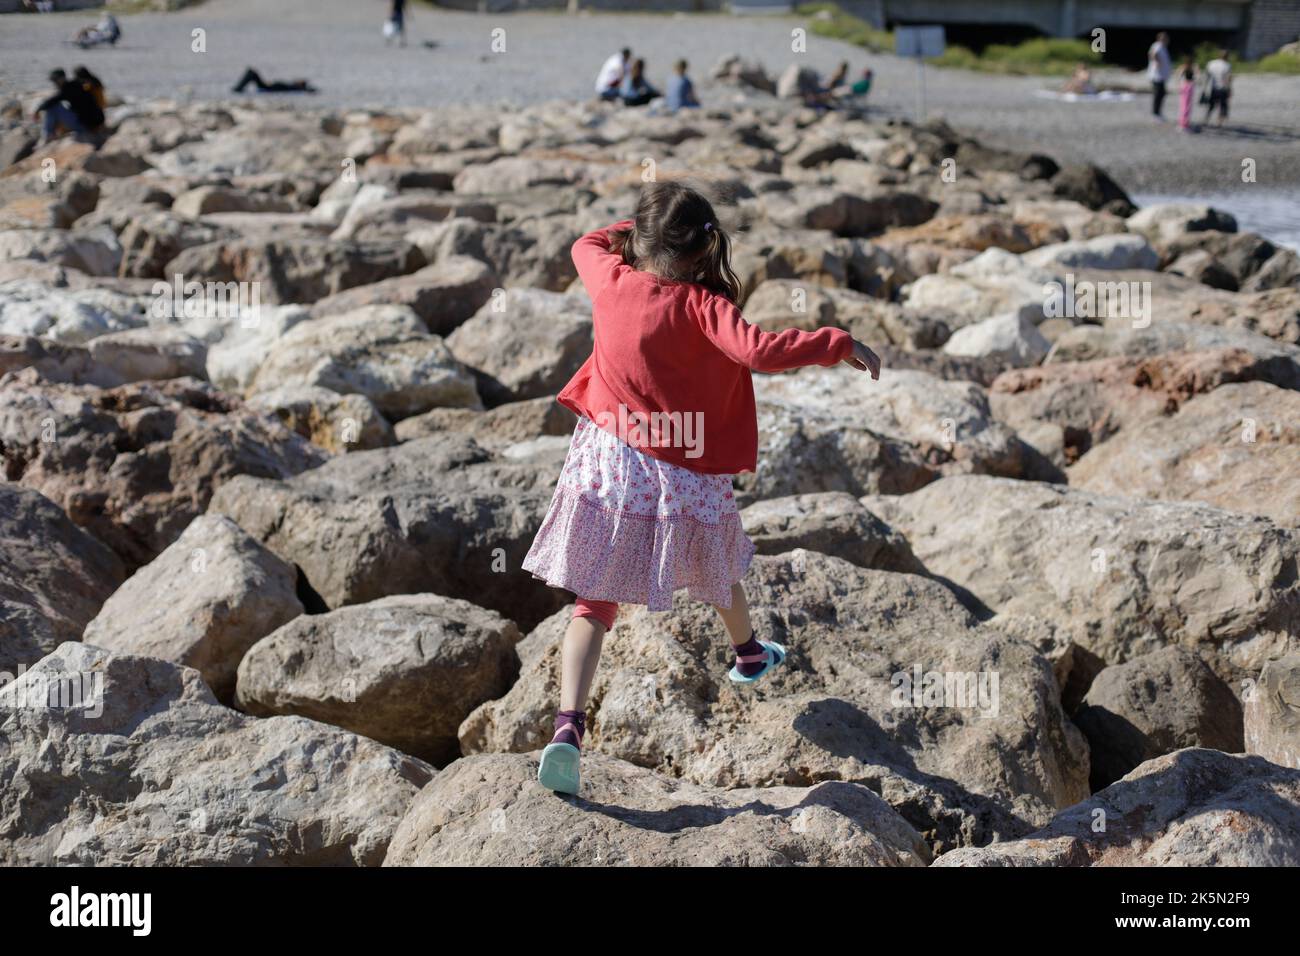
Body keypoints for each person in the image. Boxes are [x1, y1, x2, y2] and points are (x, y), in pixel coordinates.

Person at [524, 181, 881, 795]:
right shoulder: (701, 306)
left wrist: (633, 232)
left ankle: (567, 725)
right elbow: (762, 352)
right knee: (716, 568)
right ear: (702, 249)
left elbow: (586, 241)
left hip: (610, 460)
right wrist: (837, 342)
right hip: (680, 467)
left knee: (594, 602)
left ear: (641, 241)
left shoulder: (609, 277)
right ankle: (747, 652)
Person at [35, 68, 105, 145]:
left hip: (86, 126)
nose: (54, 83)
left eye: (55, 81)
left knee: (53, 108)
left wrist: (37, 110)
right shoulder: (77, 84)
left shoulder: (68, 88)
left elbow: (51, 101)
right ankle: (51, 134)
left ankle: (48, 136)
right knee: (59, 107)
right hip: (94, 122)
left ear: (61, 79)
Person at [232, 67, 318, 94]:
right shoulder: (291, 85)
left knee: (252, 72)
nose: (297, 80)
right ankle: (238, 88)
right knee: (251, 72)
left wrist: (306, 88)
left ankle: (238, 89)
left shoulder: (293, 88)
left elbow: (309, 89)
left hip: (266, 87)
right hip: (267, 86)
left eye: (300, 81)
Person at [1204, 48, 1232, 126]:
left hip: (1214, 87)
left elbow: (1207, 76)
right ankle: (1219, 122)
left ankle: (1206, 119)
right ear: (1227, 56)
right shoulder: (1227, 65)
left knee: (1211, 105)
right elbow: (1227, 78)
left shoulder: (1211, 63)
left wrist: (1205, 87)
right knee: (1222, 106)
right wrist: (1229, 89)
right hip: (1223, 88)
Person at [1148, 31, 1172, 120]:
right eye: (1164, 38)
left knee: (1162, 94)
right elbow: (1152, 54)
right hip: (1157, 76)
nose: (1166, 40)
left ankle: (1158, 112)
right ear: (1160, 38)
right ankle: (1155, 113)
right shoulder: (1157, 45)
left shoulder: (1163, 47)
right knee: (1158, 94)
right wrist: (1156, 62)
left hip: (1162, 76)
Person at [1177, 57, 1196, 131]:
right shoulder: (1192, 68)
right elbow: (1197, 76)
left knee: (1183, 105)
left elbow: (1178, 75)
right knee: (1187, 106)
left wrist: (1178, 84)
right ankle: (1184, 124)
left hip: (1184, 85)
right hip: (1189, 86)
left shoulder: (1183, 67)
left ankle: (1182, 123)